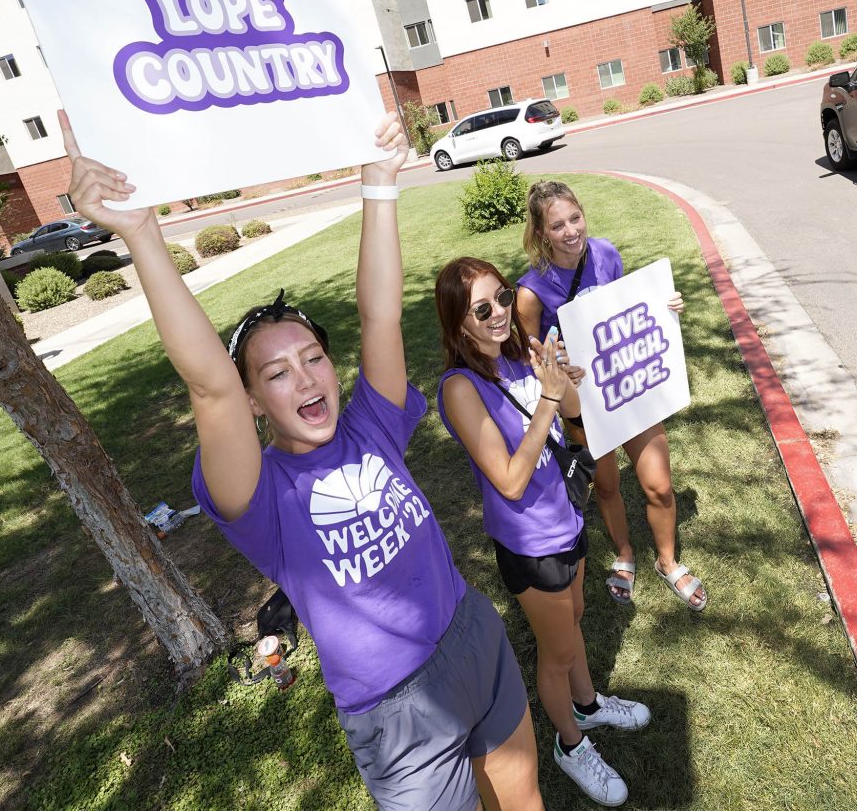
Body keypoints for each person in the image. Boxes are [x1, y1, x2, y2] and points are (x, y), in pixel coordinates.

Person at [62, 111, 541, 811]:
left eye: (314, 357)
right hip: (397, 709)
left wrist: (379, 185)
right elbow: (209, 383)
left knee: (524, 801)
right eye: (278, 372)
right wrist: (141, 235)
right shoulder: (259, 495)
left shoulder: (370, 424)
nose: (307, 377)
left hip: (472, 636)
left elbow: (379, 316)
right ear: (254, 400)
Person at [436, 257, 650, 808]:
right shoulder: (461, 388)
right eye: (481, 309)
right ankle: (570, 744)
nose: (499, 314)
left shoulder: (519, 356)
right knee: (555, 653)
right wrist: (548, 398)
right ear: (459, 322)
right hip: (530, 542)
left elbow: (574, 424)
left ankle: (587, 704)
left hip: (567, 516)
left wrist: (562, 381)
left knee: (575, 622)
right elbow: (508, 480)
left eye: (503, 297)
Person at [516, 181, 707, 612]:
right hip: (582, 404)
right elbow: (531, 359)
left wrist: (663, 306)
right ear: (542, 232)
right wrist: (557, 364)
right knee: (605, 484)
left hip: (628, 387)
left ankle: (667, 560)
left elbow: (627, 311)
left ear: (584, 215)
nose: (570, 232)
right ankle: (624, 553)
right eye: (557, 225)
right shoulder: (531, 291)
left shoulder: (606, 253)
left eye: (575, 218)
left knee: (659, 485)